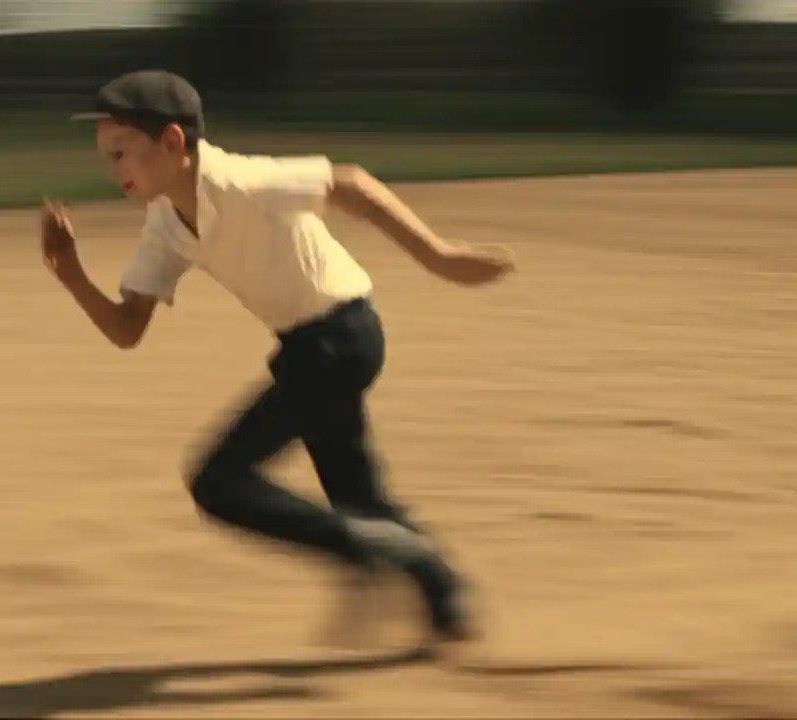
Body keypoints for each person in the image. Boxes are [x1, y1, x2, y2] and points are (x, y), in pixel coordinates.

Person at [39, 70, 514, 645]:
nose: (114, 171)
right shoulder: (165, 224)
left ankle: (370, 551)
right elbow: (126, 327)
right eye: (108, 158)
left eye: (121, 154)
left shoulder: (243, 181)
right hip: (312, 348)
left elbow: (352, 184)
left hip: (341, 337)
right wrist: (70, 274)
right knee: (359, 499)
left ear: (171, 142)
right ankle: (445, 603)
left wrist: (440, 256)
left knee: (218, 481)